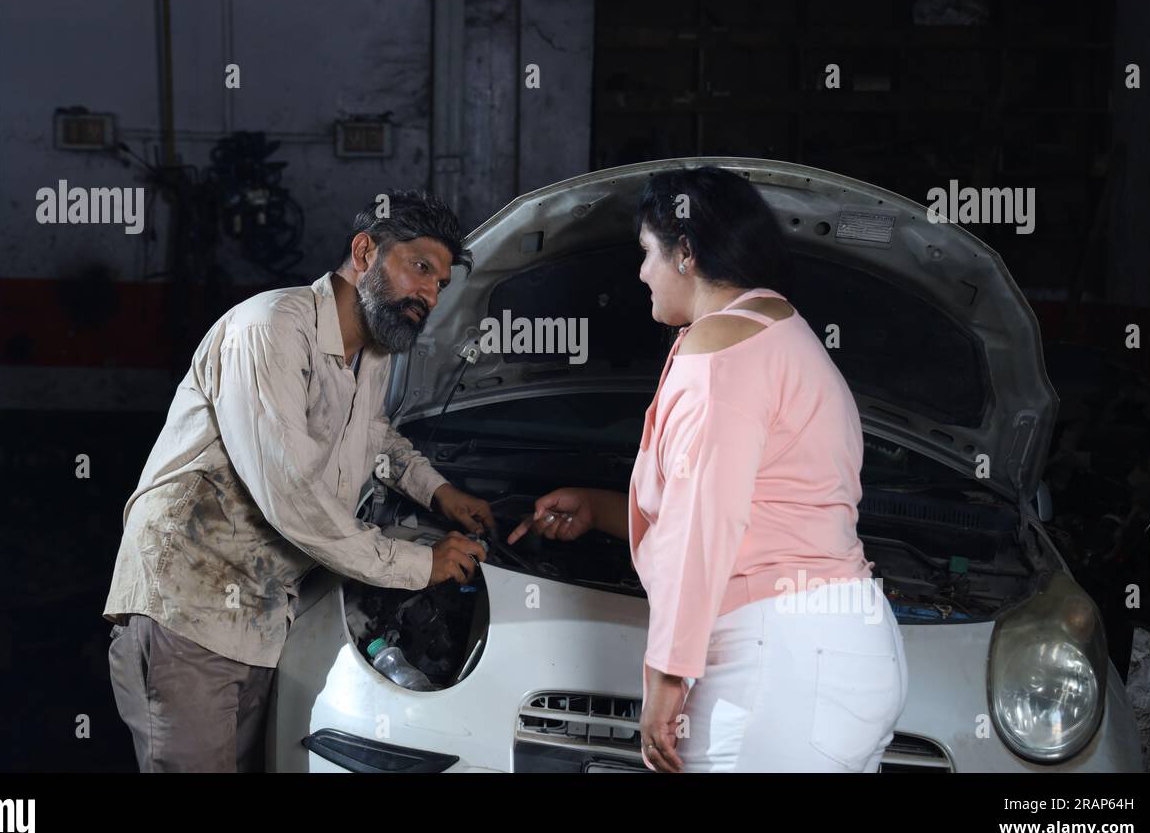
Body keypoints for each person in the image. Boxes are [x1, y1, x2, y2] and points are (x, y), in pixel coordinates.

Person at [508, 166, 907, 772]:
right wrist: (597, 506)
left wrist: (666, 681)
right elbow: (742, 507)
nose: (641, 273)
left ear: (686, 252)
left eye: (647, 253)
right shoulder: (779, 332)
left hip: (780, 663)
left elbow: (707, 524)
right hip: (840, 648)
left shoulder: (718, 356)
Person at [104, 189, 494, 772]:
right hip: (187, 608)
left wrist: (439, 491)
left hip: (259, 618)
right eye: (420, 268)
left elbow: (374, 436)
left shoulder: (376, 354)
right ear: (365, 252)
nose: (430, 294)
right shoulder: (269, 331)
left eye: (440, 283)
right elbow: (292, 496)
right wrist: (420, 565)